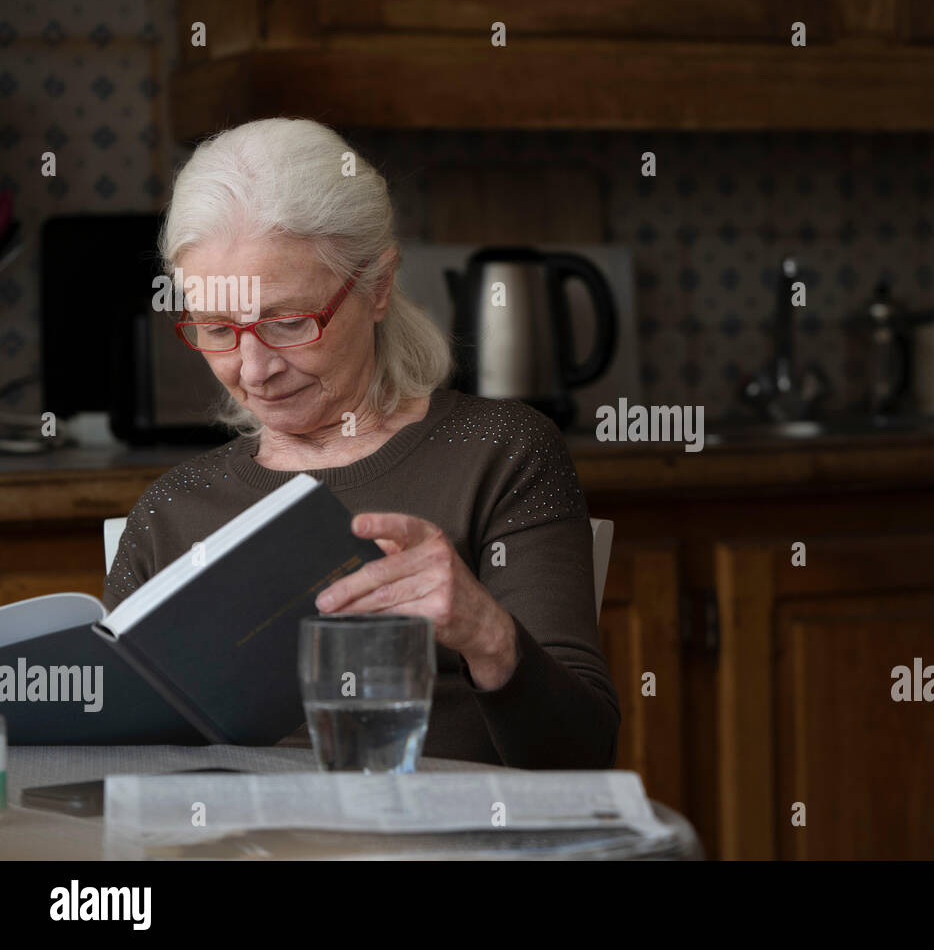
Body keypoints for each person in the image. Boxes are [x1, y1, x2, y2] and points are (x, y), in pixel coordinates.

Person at [102, 118, 619, 769]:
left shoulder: (501, 452)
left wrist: (488, 634)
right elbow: (112, 775)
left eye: (289, 322)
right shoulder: (172, 510)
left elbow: (584, 756)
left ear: (377, 288)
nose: (254, 369)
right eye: (216, 329)